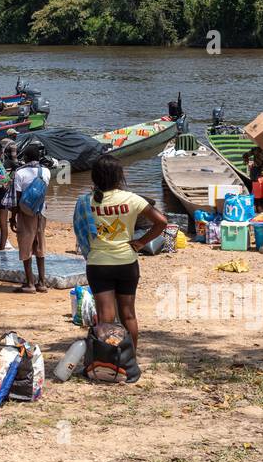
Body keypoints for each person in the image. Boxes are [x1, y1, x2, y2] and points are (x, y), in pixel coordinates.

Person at [73, 154, 167, 356]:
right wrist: (141, 242)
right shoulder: (131, 199)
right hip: (127, 262)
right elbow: (161, 222)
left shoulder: (85, 201)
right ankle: (130, 359)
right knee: (129, 315)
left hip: (98, 264)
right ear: (119, 176)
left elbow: (80, 231)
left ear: (95, 177)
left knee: (106, 318)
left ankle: (109, 359)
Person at [10, 141, 51, 292]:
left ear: (26, 157)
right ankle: (42, 283)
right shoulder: (46, 172)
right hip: (41, 212)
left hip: (26, 214)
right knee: (40, 246)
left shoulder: (20, 173)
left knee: (26, 246)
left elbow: (17, 199)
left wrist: (12, 217)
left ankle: (30, 284)